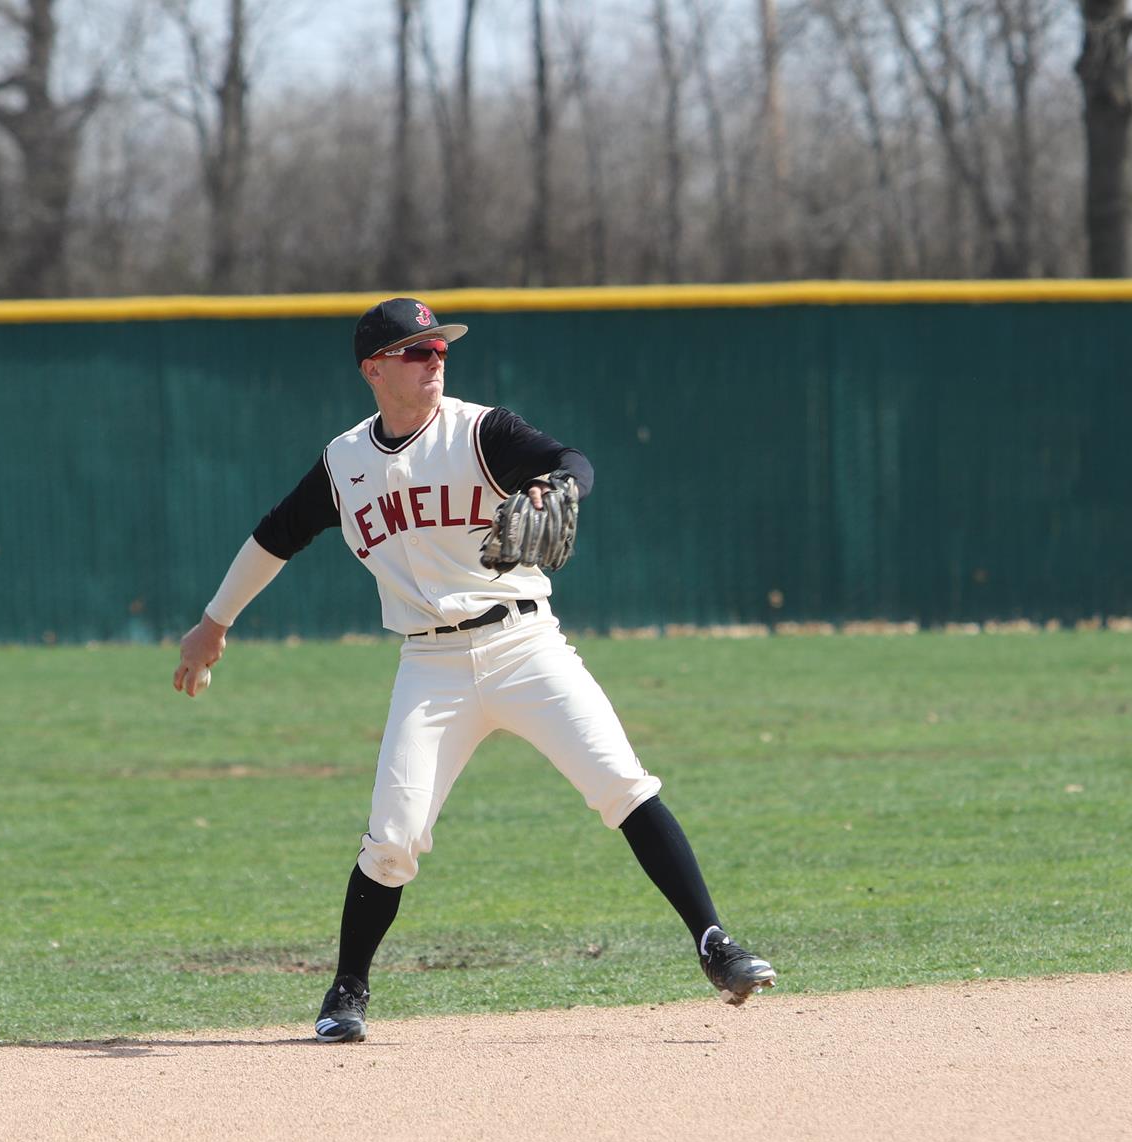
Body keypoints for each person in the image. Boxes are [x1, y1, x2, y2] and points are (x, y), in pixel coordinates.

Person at [173, 297, 776, 1042]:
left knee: (621, 784)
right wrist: (213, 621)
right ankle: (347, 989)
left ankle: (715, 944)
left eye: (440, 350)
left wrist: (559, 488)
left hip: (526, 645)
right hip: (431, 664)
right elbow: (275, 535)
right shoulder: (346, 463)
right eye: (417, 351)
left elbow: (572, 462)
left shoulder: (482, 430)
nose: (436, 361)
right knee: (393, 840)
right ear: (374, 368)